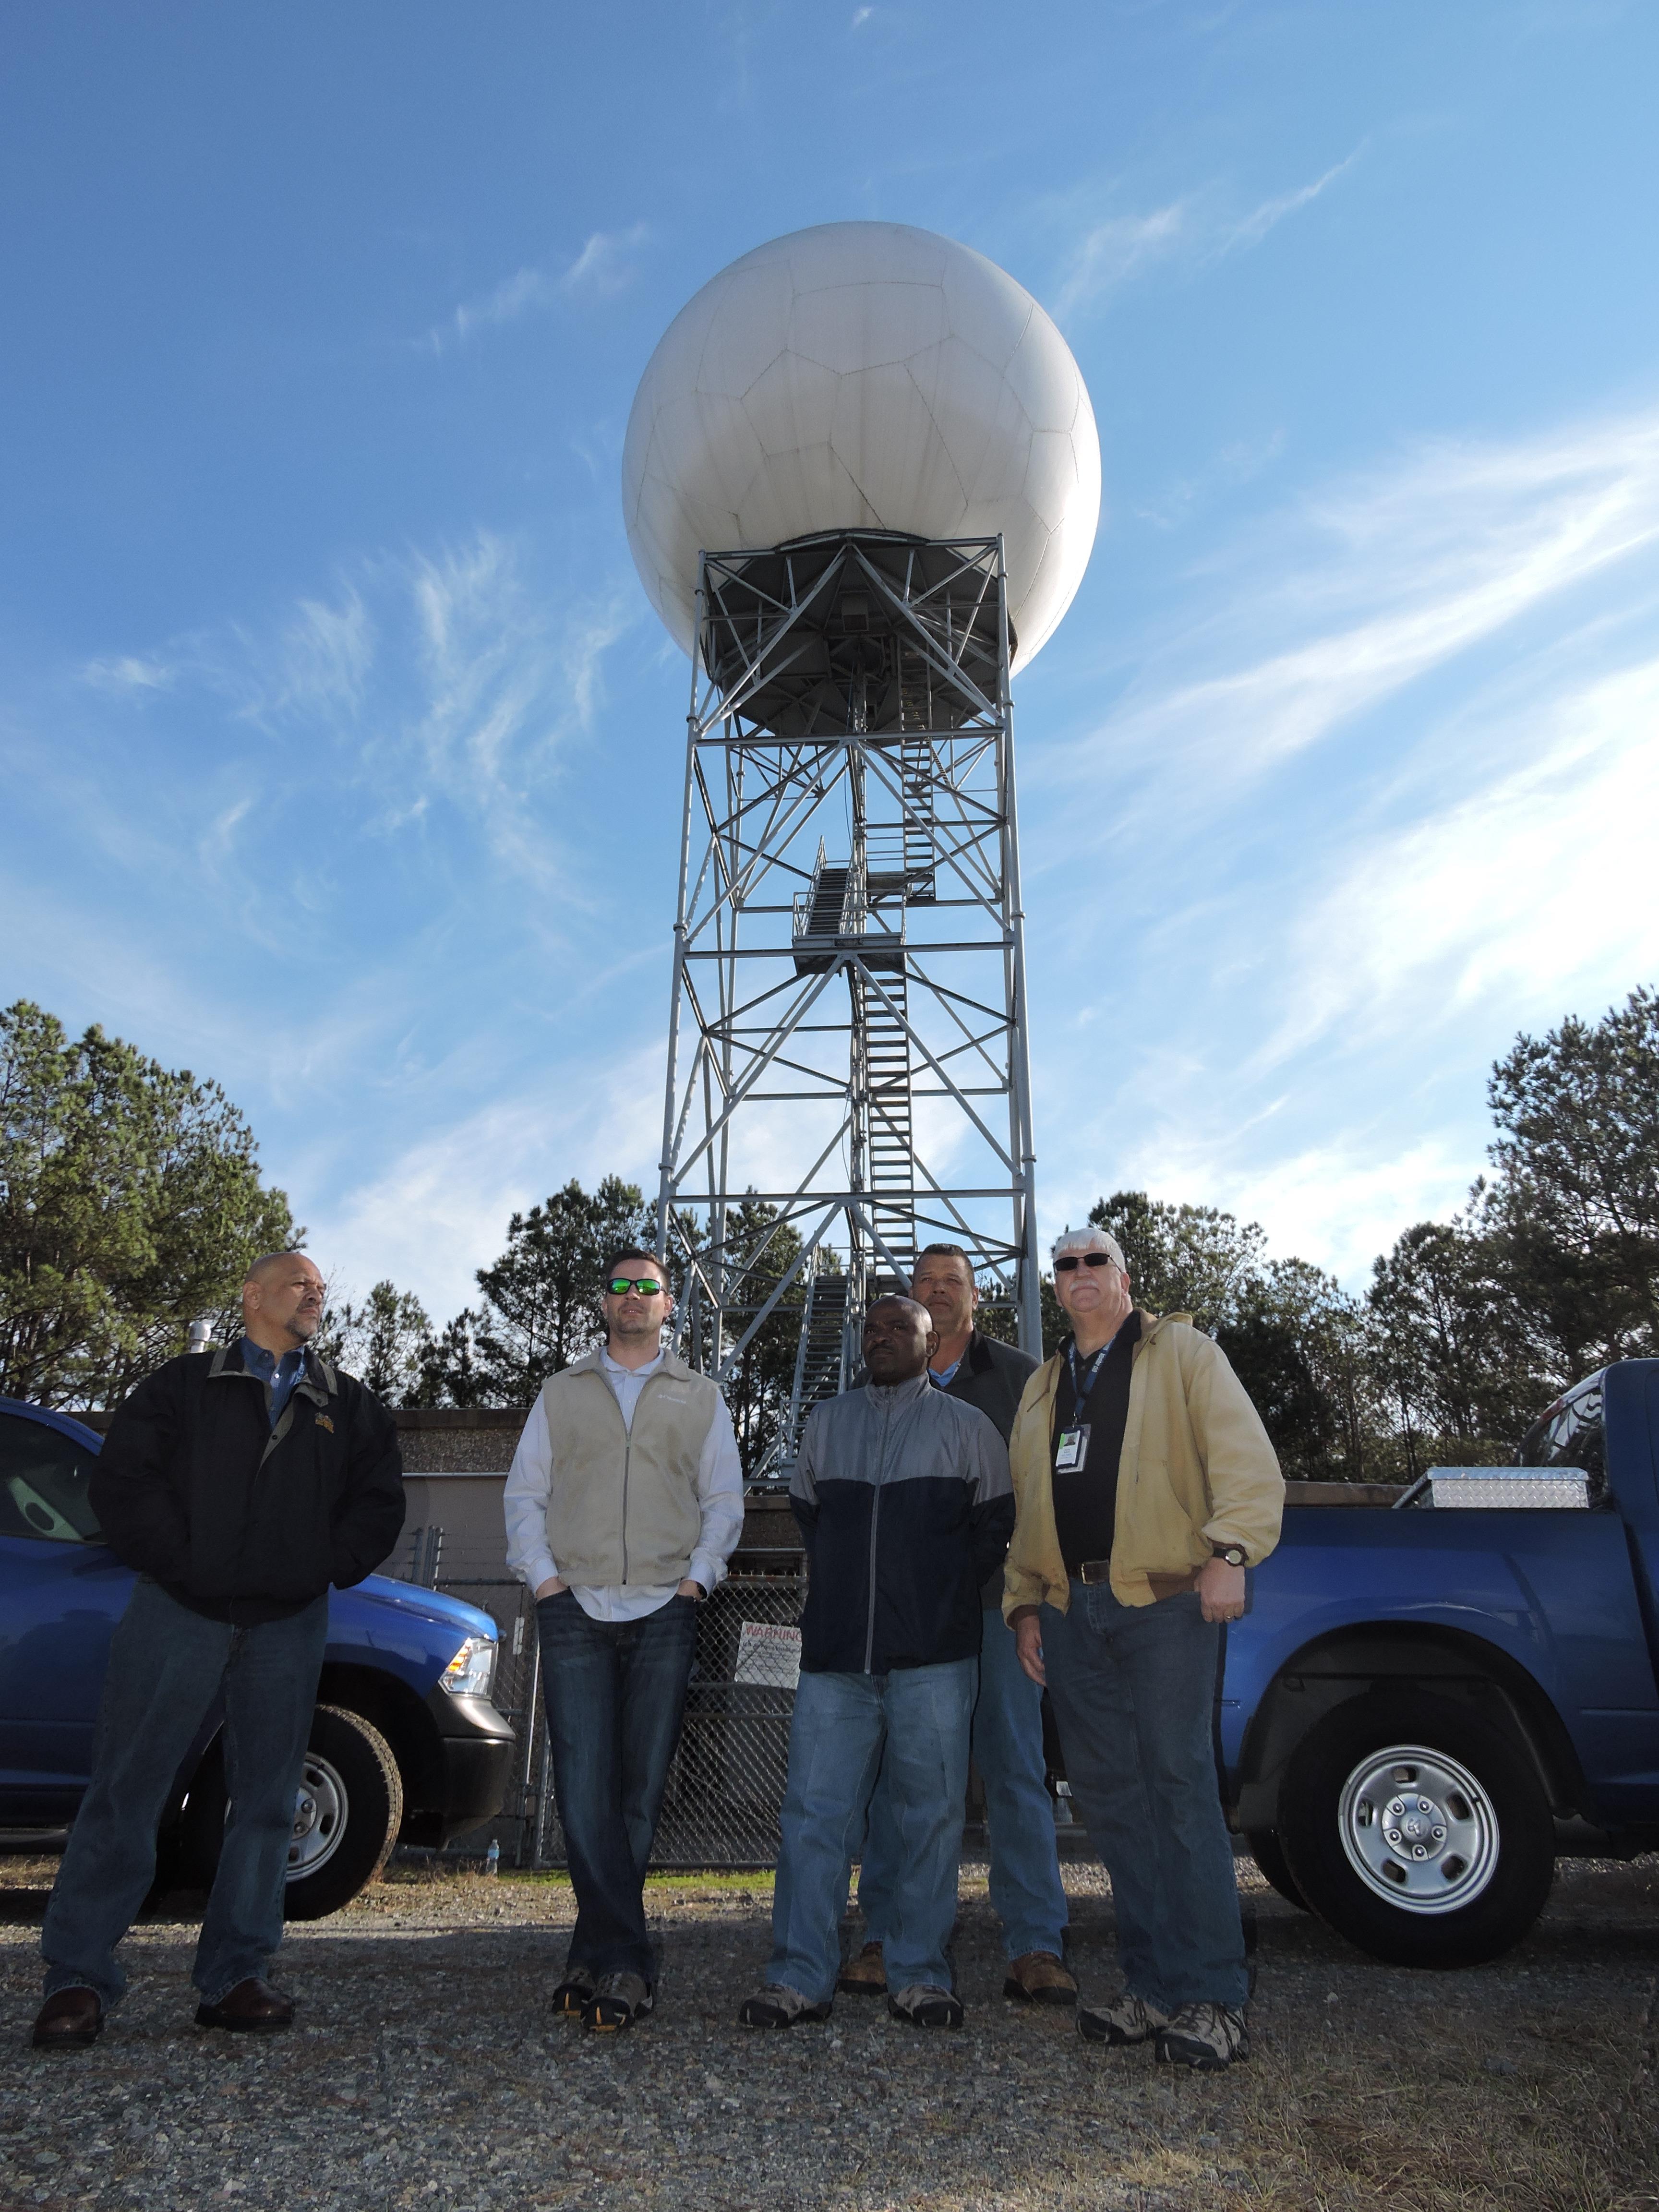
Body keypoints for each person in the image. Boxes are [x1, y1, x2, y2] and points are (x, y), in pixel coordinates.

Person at [32, 1252, 406, 2051]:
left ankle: (235, 1975)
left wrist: (320, 1570)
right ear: (254, 1297)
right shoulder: (180, 1388)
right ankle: (77, 1980)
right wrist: (186, 1562)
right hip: (177, 1611)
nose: (316, 1294)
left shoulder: (348, 1405)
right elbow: (124, 1487)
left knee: (269, 1802)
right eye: (300, 1283)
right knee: (129, 1789)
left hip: (288, 1624)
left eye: (322, 1289)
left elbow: (378, 1503)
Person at [1004, 1226, 1284, 2071]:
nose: (1080, 1274)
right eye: (1066, 1265)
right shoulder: (1043, 1385)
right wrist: (1025, 1605)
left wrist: (1229, 1550)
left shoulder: (1185, 1352)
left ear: (1124, 1278)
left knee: (1177, 1787)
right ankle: (1153, 1987)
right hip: (1071, 1611)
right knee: (1114, 1803)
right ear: (1055, 1286)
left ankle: (1213, 1997)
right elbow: (1028, 1506)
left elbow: (1243, 1456)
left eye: (1096, 1261)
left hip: (1164, 1604)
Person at [738, 1295, 1014, 2032]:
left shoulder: (968, 1430)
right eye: (874, 1329)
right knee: (813, 1818)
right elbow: (812, 1520)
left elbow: (995, 1529)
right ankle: (799, 1976)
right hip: (835, 1662)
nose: (883, 1338)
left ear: (934, 1342)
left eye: (902, 1328)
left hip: (934, 1662)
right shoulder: (825, 1426)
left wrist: (940, 1595)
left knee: (930, 1817)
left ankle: (919, 1975)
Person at [504, 1250, 742, 2034]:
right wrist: (545, 1582)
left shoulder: (701, 1397)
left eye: (649, 1288)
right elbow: (526, 1494)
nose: (634, 1298)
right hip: (574, 1604)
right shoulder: (561, 1393)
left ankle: (594, 1950)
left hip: (664, 1608)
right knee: (582, 1789)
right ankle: (628, 1960)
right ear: (603, 1304)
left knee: (639, 1790)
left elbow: (723, 1500)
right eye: (621, 1287)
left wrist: (696, 1581)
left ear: (669, 1306)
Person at [844, 1244, 1074, 2008]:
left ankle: (1036, 1944)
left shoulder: (1020, 1378)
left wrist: (1034, 1597)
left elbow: (1043, 1499)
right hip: (905, 1623)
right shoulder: (878, 1379)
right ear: (905, 1297)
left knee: (1016, 1773)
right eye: (924, 1283)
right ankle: (885, 1935)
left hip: (999, 1610)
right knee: (898, 1784)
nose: (937, 1294)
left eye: (953, 1284)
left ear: (978, 1299)